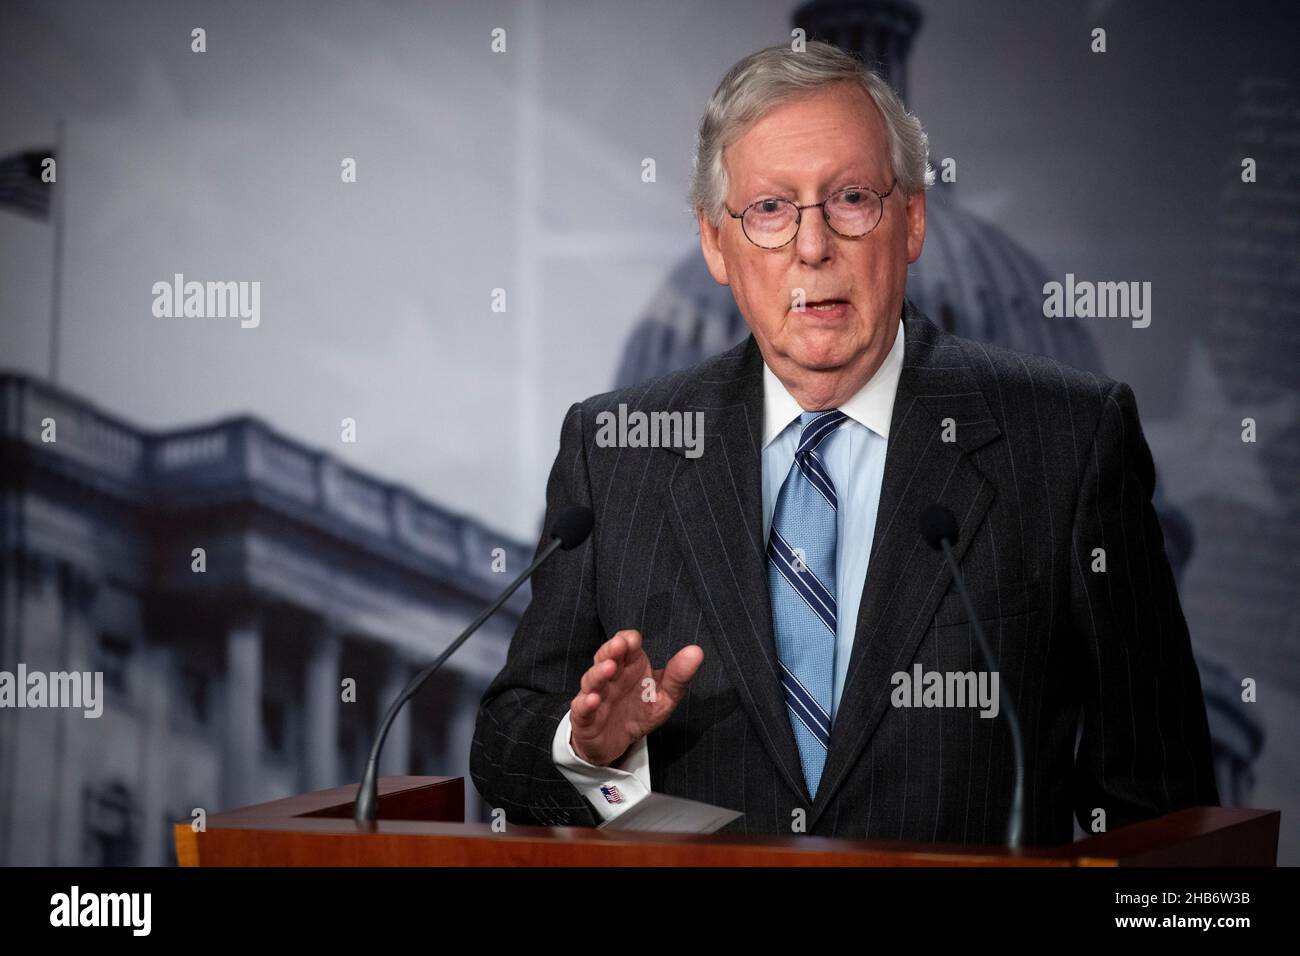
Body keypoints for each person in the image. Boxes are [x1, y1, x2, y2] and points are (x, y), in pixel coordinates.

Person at [469, 40, 1218, 843]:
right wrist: (588, 750)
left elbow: (1161, 806)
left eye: (852, 198)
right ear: (715, 243)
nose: (812, 246)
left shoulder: (1068, 441)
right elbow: (504, 745)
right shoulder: (616, 452)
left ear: (913, 220)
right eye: (769, 209)